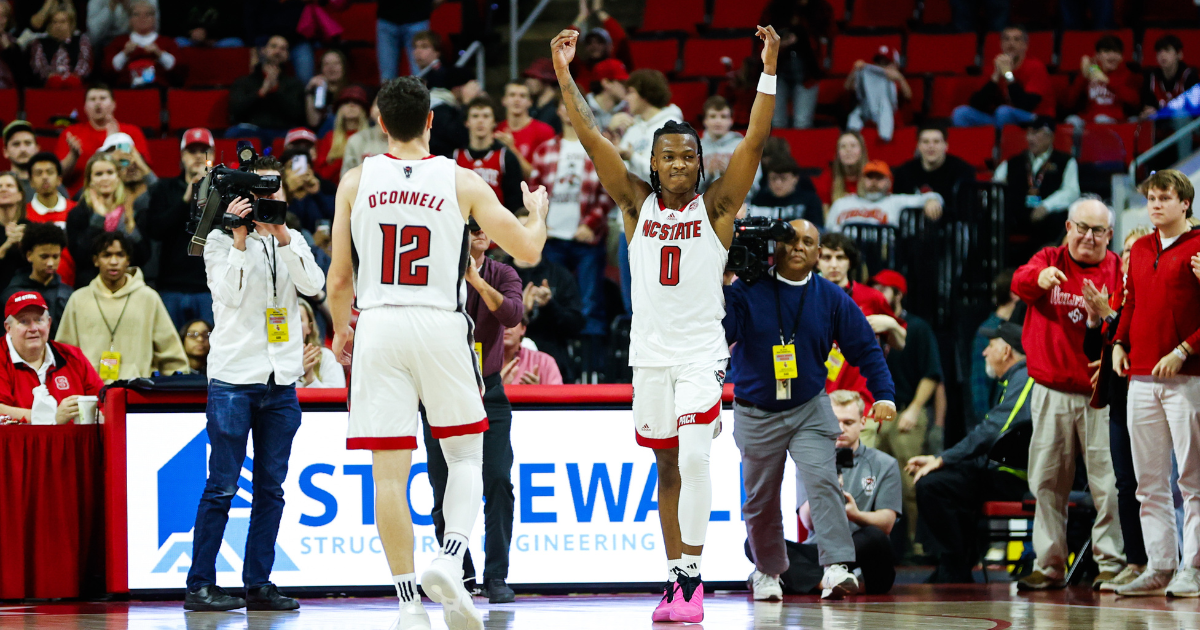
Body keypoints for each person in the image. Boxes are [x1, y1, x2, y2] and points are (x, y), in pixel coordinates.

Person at [553, 24, 780, 623]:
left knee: (698, 456)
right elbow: (590, 133)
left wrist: (769, 66)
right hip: (649, 354)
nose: (680, 162)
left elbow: (754, 143)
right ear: (652, 162)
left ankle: (695, 580)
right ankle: (675, 578)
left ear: (701, 162)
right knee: (667, 465)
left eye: (689, 155)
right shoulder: (634, 204)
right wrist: (564, 70)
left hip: (701, 351)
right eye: (669, 155)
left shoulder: (718, 207)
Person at [325, 76, 549, 629]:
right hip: (440, 324)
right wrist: (537, 212)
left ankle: (407, 602)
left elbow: (337, 278)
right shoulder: (461, 180)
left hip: (377, 324)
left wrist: (339, 331)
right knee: (467, 456)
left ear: (380, 124)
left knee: (388, 475)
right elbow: (528, 249)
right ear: (431, 121)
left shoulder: (355, 180)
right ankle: (450, 557)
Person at [722, 217, 897, 601]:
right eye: (791, 240)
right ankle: (767, 571)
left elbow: (866, 348)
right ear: (776, 248)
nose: (799, 246)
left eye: (808, 242)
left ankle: (837, 568)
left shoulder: (832, 297)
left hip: (809, 406)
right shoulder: (747, 290)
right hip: (755, 410)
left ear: (818, 254)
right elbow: (721, 336)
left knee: (822, 480)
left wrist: (884, 394)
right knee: (760, 497)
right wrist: (723, 284)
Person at [185, 154, 324, 612]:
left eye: (273, 192)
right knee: (222, 485)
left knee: (272, 489)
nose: (267, 201)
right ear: (241, 199)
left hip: (281, 380)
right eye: (258, 194)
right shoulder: (218, 244)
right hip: (233, 380)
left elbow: (314, 286)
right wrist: (241, 237)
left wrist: (282, 238)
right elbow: (229, 293)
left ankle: (258, 583)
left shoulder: (292, 238)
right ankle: (200, 584)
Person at [1011, 196, 1124, 591]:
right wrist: (1037, 280)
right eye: (1082, 228)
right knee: (1046, 482)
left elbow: (1128, 327)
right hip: (1051, 391)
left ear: (1110, 235)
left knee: (1108, 485)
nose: (1088, 237)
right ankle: (1049, 564)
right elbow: (1019, 281)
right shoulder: (1048, 259)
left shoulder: (1120, 270)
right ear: (1068, 227)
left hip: (1100, 394)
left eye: (1097, 231)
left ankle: (1110, 563)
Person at [423, 219, 525, 603]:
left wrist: (476, 281)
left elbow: (512, 315)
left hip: (490, 390)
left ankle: (496, 575)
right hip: (440, 389)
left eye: (484, 225)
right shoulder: (435, 270)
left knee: (498, 480)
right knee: (443, 486)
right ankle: (459, 574)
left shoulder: (502, 272)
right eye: (471, 225)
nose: (479, 230)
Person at [1111, 170, 1200, 597]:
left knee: (1193, 479)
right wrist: (1118, 342)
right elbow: (1129, 301)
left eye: (1164, 197)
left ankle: (1194, 568)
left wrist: (1184, 349)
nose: (1155, 205)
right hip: (1141, 376)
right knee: (1148, 482)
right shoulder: (1142, 246)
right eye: (1150, 198)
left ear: (1185, 203)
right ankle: (1161, 565)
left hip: (1188, 376)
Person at [907, 313, 1033, 583]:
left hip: (1016, 477)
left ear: (1007, 350)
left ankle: (954, 568)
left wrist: (941, 459)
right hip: (1000, 472)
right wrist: (944, 459)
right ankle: (954, 564)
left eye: (991, 346)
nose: (985, 352)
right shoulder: (1012, 380)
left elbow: (992, 432)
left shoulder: (1024, 378)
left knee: (935, 484)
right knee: (939, 481)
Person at [1082, 225, 1154, 592]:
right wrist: (1096, 318)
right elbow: (1095, 347)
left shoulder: (1148, 294)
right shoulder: (1124, 294)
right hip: (1119, 399)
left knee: (1155, 485)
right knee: (1124, 484)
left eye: (1134, 252)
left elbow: (1141, 340)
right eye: (1125, 253)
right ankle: (1136, 561)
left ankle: (1164, 562)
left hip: (1151, 397)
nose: (1128, 259)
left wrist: (1107, 313)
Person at [795, 390, 901, 594]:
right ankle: (830, 582)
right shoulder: (809, 461)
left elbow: (887, 523)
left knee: (875, 537)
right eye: (834, 421)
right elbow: (807, 521)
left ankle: (814, 580)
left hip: (864, 550)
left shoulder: (885, 464)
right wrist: (826, 485)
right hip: (821, 550)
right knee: (759, 547)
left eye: (848, 422)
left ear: (863, 422)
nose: (840, 429)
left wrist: (855, 514)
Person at [867, 269, 942, 555]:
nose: (877, 293)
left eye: (884, 288)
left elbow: (931, 374)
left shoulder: (917, 327)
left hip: (904, 414)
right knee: (874, 483)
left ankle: (917, 544)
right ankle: (886, 546)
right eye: (873, 287)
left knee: (909, 482)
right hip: (874, 413)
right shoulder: (871, 323)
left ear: (898, 294)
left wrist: (913, 409)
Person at [528, 101, 613, 348]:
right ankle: (559, 359)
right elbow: (534, 191)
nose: (570, 110)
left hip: (587, 237)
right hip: (552, 238)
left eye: (577, 106)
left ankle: (591, 364)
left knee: (590, 301)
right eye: (566, 105)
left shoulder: (597, 147)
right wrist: (540, 224)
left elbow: (609, 191)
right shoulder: (544, 150)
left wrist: (591, 224)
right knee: (554, 298)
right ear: (558, 111)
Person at [55, 232, 185, 381]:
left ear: (128, 260)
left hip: (138, 393)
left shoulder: (148, 298)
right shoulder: (79, 299)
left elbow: (171, 355)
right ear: (95, 260)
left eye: (120, 255)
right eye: (106, 255)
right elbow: (64, 353)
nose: (114, 261)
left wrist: (177, 385)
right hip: (90, 392)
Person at [611, 68, 682, 312]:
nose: (626, 99)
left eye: (630, 92)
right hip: (629, 222)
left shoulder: (671, 126)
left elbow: (669, 175)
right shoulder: (633, 128)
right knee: (631, 302)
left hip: (660, 224)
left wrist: (631, 155)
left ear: (644, 94)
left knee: (658, 299)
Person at [817, 233, 905, 408]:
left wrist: (891, 324)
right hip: (818, 403)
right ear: (816, 260)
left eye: (840, 257)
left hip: (862, 404)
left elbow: (900, 343)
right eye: (826, 257)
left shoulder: (871, 297)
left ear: (850, 261)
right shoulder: (805, 297)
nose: (834, 264)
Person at [508, 208, 587, 384]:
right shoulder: (497, 272)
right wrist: (519, 311)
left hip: (554, 366)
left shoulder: (560, 275)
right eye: (519, 229)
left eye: (530, 229)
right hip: (504, 364)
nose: (524, 235)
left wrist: (550, 305)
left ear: (543, 234)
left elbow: (577, 325)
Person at [146, 128, 215, 328]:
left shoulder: (223, 191)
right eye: (192, 151)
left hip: (209, 287)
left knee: (210, 352)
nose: (198, 157)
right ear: (182, 156)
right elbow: (155, 230)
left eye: (204, 151)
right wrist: (186, 199)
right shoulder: (163, 189)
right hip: (171, 286)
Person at [0, 292, 103, 425]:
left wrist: (100, 416)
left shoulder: (73, 356)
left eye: (39, 320)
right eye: (24, 321)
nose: (33, 328)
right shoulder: (2, 357)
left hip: (72, 443)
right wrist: (50, 418)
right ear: (8, 328)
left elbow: (103, 401)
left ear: (48, 323)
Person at [993, 116, 1081, 263]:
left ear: (1050, 137)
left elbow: (1072, 192)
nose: (1030, 138)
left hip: (1047, 217)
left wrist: (1046, 207)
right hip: (1016, 216)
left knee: (1057, 222)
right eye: (1029, 134)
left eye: (1035, 133)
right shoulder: (1013, 162)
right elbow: (995, 185)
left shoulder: (1065, 161)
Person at [65, 153, 148, 289]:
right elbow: (80, 256)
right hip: (91, 287)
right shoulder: (78, 213)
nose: (105, 178)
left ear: (118, 176)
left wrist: (131, 226)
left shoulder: (132, 210)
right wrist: (98, 218)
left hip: (128, 286)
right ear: (89, 180)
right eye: (98, 174)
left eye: (110, 172)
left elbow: (143, 255)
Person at [952, 25, 1054, 128]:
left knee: (1003, 112)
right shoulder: (993, 67)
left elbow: (1026, 105)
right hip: (999, 117)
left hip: (1033, 118)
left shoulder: (1035, 67)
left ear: (1025, 45)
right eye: (1006, 39)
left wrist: (1007, 74)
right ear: (1001, 44)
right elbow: (977, 104)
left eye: (1016, 39)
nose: (1011, 43)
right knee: (961, 113)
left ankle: (1001, 143)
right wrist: (996, 76)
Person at [55, 85, 152, 192]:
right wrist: (73, 156)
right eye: (92, 99)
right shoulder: (71, 133)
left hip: (123, 193)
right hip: (82, 196)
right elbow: (58, 175)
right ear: (85, 107)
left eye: (103, 98)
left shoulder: (132, 131)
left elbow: (142, 169)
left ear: (114, 104)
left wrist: (114, 141)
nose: (97, 103)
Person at [761, 0, 831, 130]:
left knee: (802, 123)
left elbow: (827, 38)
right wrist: (780, 44)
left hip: (808, 73)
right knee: (777, 123)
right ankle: (779, 150)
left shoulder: (820, 9)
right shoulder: (775, 8)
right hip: (778, 73)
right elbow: (763, 39)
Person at [227, 35, 306, 145]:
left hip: (282, 131)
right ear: (263, 50)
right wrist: (261, 92)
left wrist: (275, 90)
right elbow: (236, 112)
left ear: (287, 55)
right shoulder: (244, 82)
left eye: (283, 48)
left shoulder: (295, 84)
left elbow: (298, 115)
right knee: (236, 132)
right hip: (252, 130)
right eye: (274, 46)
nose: (278, 51)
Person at [825, 161, 943, 232]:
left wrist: (931, 200)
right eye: (870, 177)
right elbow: (827, 233)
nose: (874, 182)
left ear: (889, 182)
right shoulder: (841, 203)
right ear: (861, 180)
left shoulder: (896, 201)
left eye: (879, 178)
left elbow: (932, 197)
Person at [452, 96, 524, 211]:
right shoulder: (454, 157)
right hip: (463, 224)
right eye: (475, 116)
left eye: (486, 116)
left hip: (496, 224)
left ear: (494, 122)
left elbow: (514, 202)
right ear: (467, 122)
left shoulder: (505, 158)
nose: (480, 121)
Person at [892, 123, 978, 219]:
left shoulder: (963, 171)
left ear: (946, 145)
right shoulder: (904, 172)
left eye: (936, 142)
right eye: (925, 142)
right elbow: (897, 205)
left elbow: (966, 210)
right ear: (918, 146)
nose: (931, 146)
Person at [1, 223, 71, 338]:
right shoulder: (11, 295)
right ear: (29, 255)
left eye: (55, 256)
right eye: (44, 257)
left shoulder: (68, 294)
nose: (50, 263)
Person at [969, 269, 1017, 422]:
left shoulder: (1022, 326)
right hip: (996, 417)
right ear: (1014, 293)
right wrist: (986, 420)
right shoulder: (988, 330)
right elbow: (979, 381)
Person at [1067, 35, 1140, 128]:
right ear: (1097, 55)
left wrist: (1107, 82)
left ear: (1122, 56)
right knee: (1070, 121)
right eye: (1106, 51)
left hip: (1116, 121)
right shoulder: (1090, 73)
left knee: (1101, 119)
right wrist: (1083, 77)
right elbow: (1070, 102)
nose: (1112, 56)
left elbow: (1134, 101)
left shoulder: (1128, 75)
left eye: (1116, 52)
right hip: (1089, 119)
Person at [102, 1, 177, 88]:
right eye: (136, 14)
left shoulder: (167, 42)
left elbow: (177, 69)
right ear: (130, 19)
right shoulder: (119, 42)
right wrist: (125, 53)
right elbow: (109, 69)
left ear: (154, 19)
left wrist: (159, 53)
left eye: (147, 14)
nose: (142, 18)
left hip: (158, 90)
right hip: (126, 90)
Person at [844, 46, 912, 143]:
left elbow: (908, 96)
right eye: (878, 63)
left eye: (885, 63)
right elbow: (848, 87)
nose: (881, 67)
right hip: (869, 125)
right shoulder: (870, 80)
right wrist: (855, 71)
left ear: (895, 65)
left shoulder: (896, 80)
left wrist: (900, 78)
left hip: (895, 129)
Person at [496, 81, 557, 178]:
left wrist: (512, 149)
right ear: (504, 100)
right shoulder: (496, 131)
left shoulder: (544, 131)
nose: (517, 100)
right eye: (512, 95)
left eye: (522, 96)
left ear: (530, 102)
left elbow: (542, 177)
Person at [746, 155, 823, 225]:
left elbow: (817, 229)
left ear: (795, 179)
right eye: (773, 178)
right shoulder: (758, 200)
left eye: (783, 178)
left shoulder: (809, 201)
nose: (778, 183)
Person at [315, 85, 370, 182]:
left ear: (364, 110)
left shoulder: (371, 137)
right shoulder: (329, 137)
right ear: (340, 109)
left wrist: (338, 158)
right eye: (346, 102)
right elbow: (321, 174)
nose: (351, 105)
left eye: (356, 102)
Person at [30, 5, 92, 89]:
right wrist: (51, 77)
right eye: (54, 22)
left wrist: (74, 77)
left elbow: (84, 62)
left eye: (63, 22)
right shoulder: (39, 43)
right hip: (48, 87)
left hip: (76, 86)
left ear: (71, 24)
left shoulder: (82, 40)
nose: (58, 25)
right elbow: (38, 65)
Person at [4, 121, 66, 201]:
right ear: (5, 151)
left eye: (28, 143)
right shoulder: (1, 185)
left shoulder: (53, 185)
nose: (23, 149)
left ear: (37, 148)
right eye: (16, 144)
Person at [1141, 35, 1198, 117]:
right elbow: (1148, 105)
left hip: (1184, 123)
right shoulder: (1151, 78)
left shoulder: (1189, 77)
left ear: (1179, 55)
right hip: (1160, 121)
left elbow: (1194, 109)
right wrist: (1148, 111)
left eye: (1167, 50)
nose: (1162, 55)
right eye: (1159, 51)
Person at [377, 0, 433, 80]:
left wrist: (427, 7)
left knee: (419, 76)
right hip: (386, 19)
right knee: (386, 77)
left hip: (417, 18)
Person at [501, 315, 563, 385]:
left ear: (523, 329)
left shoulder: (545, 362)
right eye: (499, 321)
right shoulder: (486, 362)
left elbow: (557, 394)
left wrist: (536, 392)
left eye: (512, 321)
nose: (506, 326)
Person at [296, 299, 342, 389]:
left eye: (299, 319)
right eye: (287, 320)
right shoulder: (271, 359)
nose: (293, 324)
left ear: (310, 327)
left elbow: (337, 398)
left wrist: (310, 379)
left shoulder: (326, 357)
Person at [813, 131, 867, 206]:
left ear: (862, 151)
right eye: (843, 146)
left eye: (853, 146)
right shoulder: (828, 178)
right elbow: (825, 211)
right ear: (838, 153)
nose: (848, 150)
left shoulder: (873, 176)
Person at [340, 96, 389, 178]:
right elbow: (346, 179)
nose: (384, 109)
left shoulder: (411, 142)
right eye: (379, 104)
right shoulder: (356, 140)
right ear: (372, 110)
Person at [305, 49, 350, 130]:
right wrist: (309, 91)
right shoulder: (317, 91)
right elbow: (313, 122)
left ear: (344, 67)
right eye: (326, 64)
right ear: (321, 69)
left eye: (336, 63)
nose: (331, 68)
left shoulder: (352, 91)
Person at [585, 58, 629, 132]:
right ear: (606, 83)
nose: (626, 87)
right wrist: (609, 130)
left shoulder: (627, 107)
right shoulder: (582, 107)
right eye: (621, 82)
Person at [0, 171, 26, 291]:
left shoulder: (29, 228)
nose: (3, 189)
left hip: (24, 290)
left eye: (9, 186)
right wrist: (7, 245)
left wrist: (23, 242)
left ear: (20, 195)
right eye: (0, 186)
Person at [522, 58, 562, 133]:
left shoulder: (558, 108)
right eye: (528, 77)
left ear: (546, 79)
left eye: (533, 77)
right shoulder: (533, 107)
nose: (528, 82)